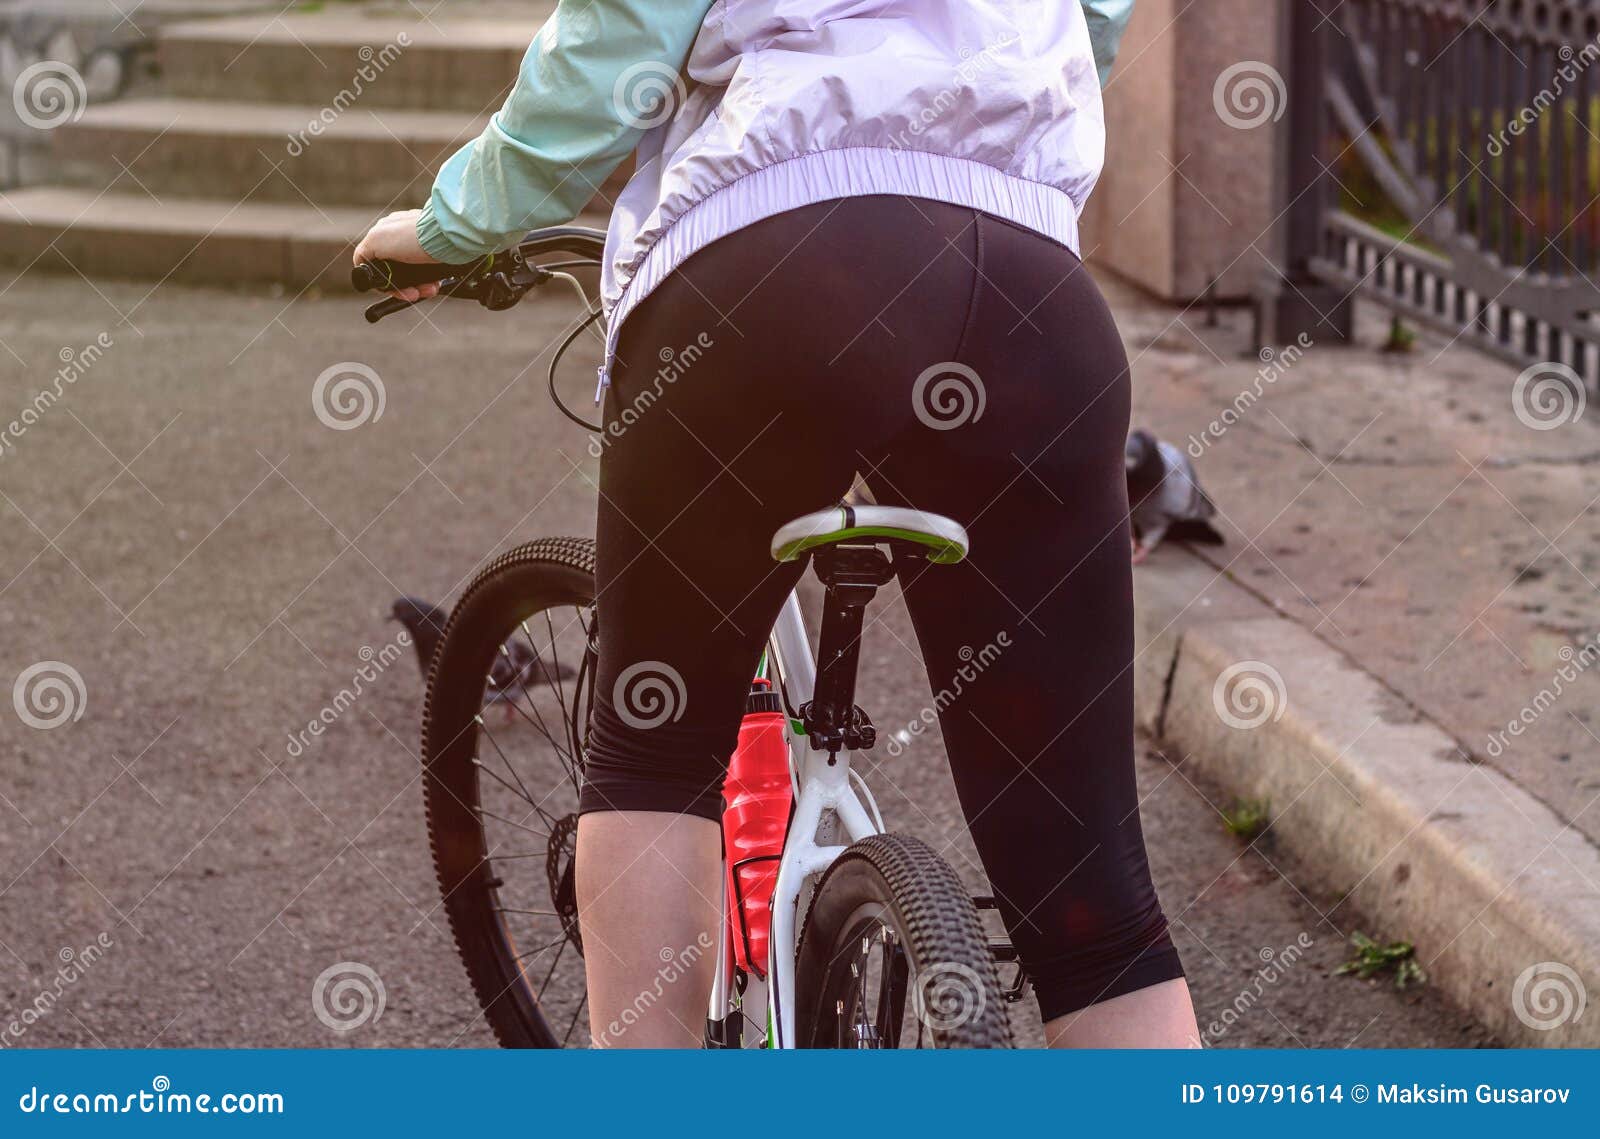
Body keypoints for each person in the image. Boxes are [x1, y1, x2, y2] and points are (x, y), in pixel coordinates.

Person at [355, 0, 1199, 1049]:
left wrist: (456, 223)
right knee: (1094, 902)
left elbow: (615, 43)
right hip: (1028, 289)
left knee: (655, 754)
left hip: (775, 250)